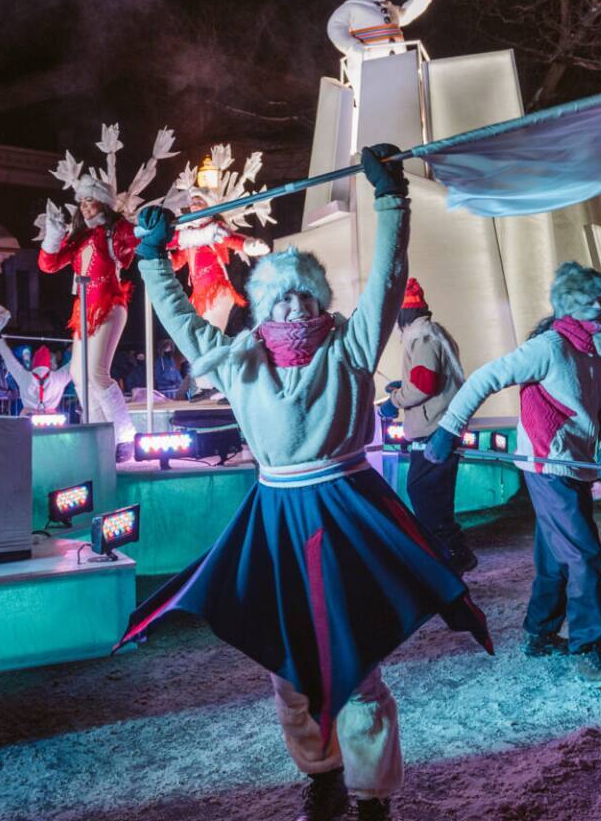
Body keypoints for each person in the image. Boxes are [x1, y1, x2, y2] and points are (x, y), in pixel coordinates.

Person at [122, 146, 491, 821]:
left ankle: (372, 795)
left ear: (319, 301)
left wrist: (392, 200)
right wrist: (152, 258)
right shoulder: (237, 359)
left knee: (356, 663)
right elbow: (180, 318)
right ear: (263, 307)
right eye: (279, 295)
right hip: (277, 518)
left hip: (344, 513)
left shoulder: (351, 347)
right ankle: (323, 776)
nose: (293, 303)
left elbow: (387, 280)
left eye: (303, 293)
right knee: (288, 665)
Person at [428, 261, 601, 687]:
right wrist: (449, 428)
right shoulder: (549, 347)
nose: (598, 307)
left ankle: (540, 633)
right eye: (587, 301)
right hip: (547, 465)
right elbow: (485, 378)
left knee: (556, 554)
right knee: (584, 555)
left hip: (577, 464)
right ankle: (587, 648)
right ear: (567, 306)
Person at [38, 125, 177, 458]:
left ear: (102, 202)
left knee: (97, 374)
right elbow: (49, 265)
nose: (85, 207)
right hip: (83, 310)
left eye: (89, 201)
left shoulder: (116, 230)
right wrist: (53, 236)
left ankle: (125, 436)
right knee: (78, 375)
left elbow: (142, 236)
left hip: (109, 305)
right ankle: (99, 434)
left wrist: (153, 227)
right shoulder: (80, 238)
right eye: (82, 202)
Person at [383, 278, 474, 573]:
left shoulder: (420, 338)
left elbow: (424, 385)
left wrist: (395, 400)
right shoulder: (435, 334)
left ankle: (453, 556)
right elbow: (431, 379)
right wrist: (404, 386)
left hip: (433, 430)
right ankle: (452, 557)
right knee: (436, 498)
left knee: (424, 494)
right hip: (441, 426)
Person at [165, 148, 271, 397]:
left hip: (217, 291)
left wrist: (249, 245)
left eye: (199, 202)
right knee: (202, 341)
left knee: (209, 340)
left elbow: (232, 239)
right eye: (192, 202)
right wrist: (163, 262)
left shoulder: (215, 227)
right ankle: (213, 384)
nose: (194, 205)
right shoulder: (189, 235)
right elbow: (179, 261)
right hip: (200, 297)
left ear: (209, 206)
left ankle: (221, 385)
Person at [0, 341, 70, 415]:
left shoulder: (24, 376)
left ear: (34, 362)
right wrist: (76, 340)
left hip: (28, 416)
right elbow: (73, 365)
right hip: (51, 418)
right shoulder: (58, 377)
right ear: (49, 364)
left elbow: (10, 360)